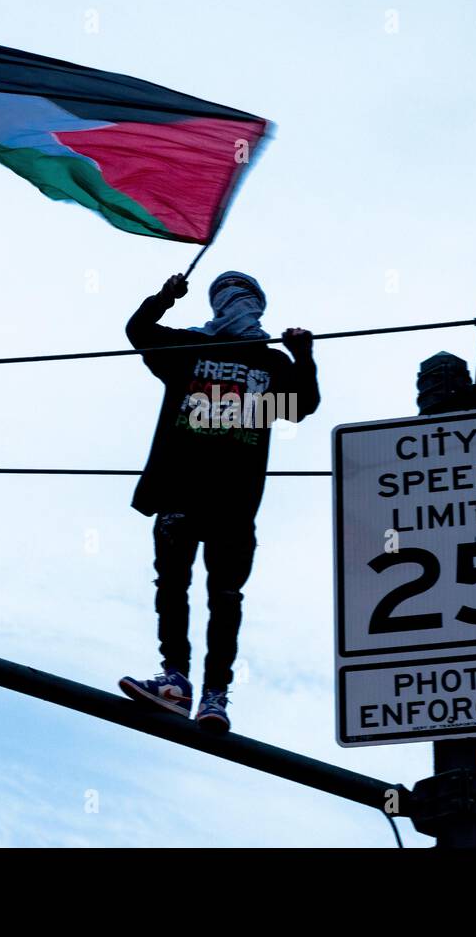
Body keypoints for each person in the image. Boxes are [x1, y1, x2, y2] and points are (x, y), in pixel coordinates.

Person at [118, 270, 320, 733]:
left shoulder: (270, 365)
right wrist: (165, 296)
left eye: (244, 296)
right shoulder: (188, 350)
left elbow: (303, 405)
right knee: (176, 586)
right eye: (227, 295)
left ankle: (214, 694)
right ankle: (179, 682)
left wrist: (303, 355)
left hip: (233, 501)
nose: (237, 304)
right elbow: (137, 332)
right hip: (182, 492)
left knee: (221, 596)